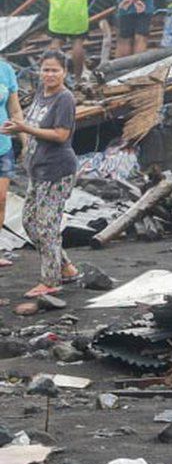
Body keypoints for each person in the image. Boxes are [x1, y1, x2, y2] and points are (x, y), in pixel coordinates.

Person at [1, 52, 79, 299]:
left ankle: (50, 280)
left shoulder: (64, 98)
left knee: (46, 225)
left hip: (57, 171)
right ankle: (65, 266)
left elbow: (61, 135)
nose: (49, 74)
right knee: (29, 222)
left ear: (64, 72)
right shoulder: (41, 93)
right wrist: (21, 136)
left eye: (55, 70)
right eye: (46, 69)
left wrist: (24, 128)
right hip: (39, 170)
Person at [0, 56, 20, 268]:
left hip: (3, 147)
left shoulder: (5, 70)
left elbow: (14, 110)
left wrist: (26, 139)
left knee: (1, 200)